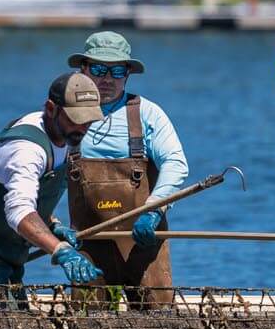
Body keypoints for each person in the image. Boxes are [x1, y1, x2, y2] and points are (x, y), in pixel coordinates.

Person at [0, 72, 107, 306]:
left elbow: (25, 197)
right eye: (75, 118)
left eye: (88, 120)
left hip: (11, 251)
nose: (82, 127)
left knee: (18, 316)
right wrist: (59, 249)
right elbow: (19, 212)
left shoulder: (64, 137)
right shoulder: (26, 150)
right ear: (51, 108)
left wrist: (52, 225)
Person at [66, 31, 189, 308]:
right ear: (82, 70)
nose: (107, 79)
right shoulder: (66, 116)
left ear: (128, 74)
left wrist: (154, 210)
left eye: (117, 70)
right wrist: (53, 227)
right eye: (98, 69)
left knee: (158, 323)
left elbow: (176, 163)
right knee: (87, 322)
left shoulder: (147, 113)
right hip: (89, 243)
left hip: (143, 240)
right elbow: (40, 176)